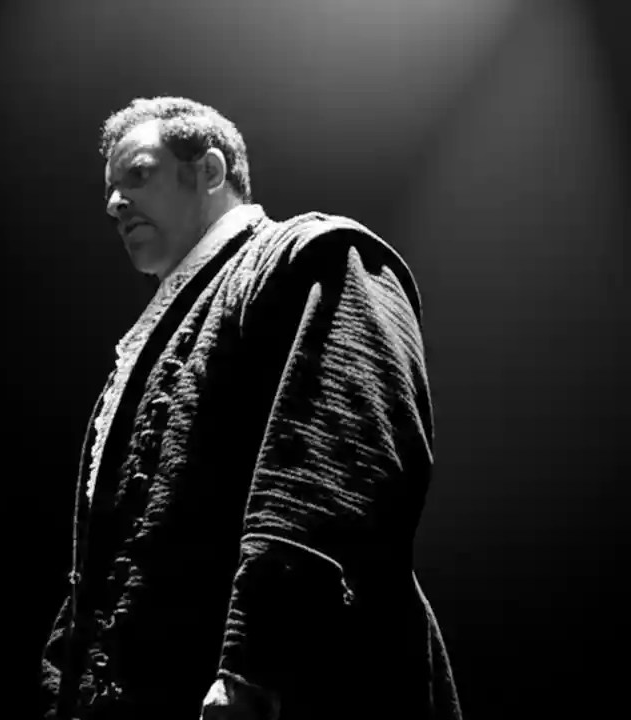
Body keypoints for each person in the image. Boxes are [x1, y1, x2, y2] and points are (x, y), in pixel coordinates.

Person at [39, 97, 462, 720]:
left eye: (138, 175)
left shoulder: (314, 254)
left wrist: (258, 665)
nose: (114, 203)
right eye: (110, 190)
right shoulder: (147, 340)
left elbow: (342, 461)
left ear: (209, 171)